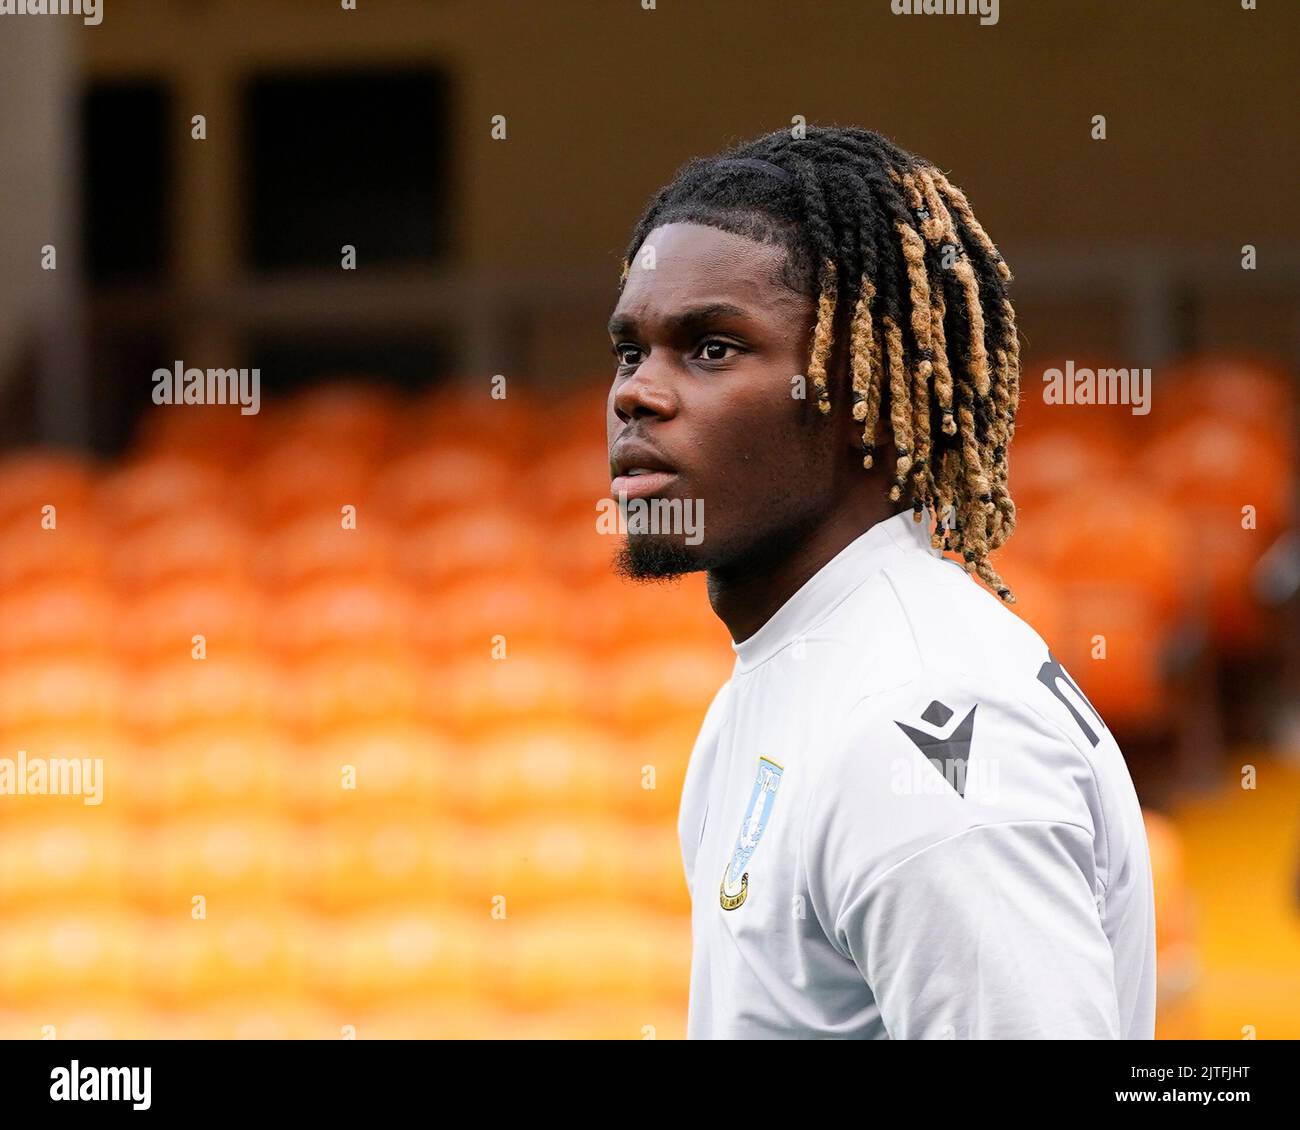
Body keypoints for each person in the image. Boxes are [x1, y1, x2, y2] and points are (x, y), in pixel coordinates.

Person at [605, 126, 1156, 1039]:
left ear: (865, 396)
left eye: (710, 349)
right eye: (631, 351)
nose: (638, 393)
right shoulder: (790, 680)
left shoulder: (914, 724)